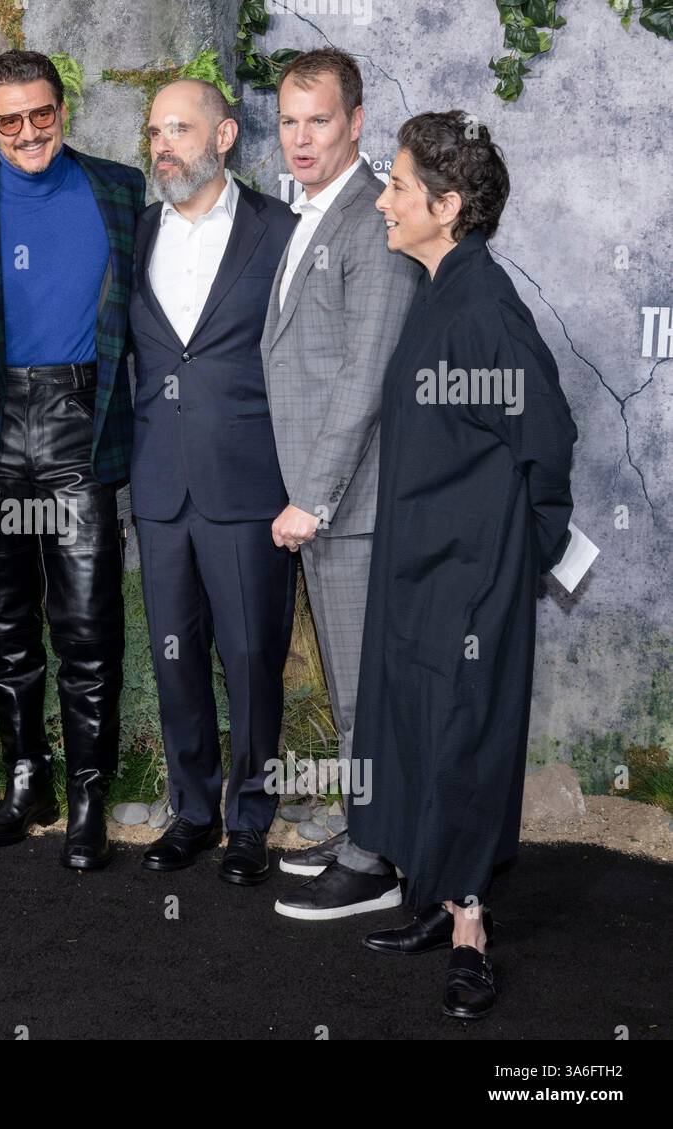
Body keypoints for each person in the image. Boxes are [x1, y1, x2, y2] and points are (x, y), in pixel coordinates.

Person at [349, 111, 576, 1019]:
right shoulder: (438, 288)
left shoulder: (485, 309)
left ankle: (472, 932)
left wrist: (525, 553)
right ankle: (437, 901)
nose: (383, 199)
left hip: (471, 577)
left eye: (398, 186)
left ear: (446, 206)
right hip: (421, 565)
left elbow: (547, 441)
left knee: (465, 742)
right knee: (416, 731)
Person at [0, 50, 145, 869]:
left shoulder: (120, 189)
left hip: (80, 428)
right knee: (5, 625)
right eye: (10, 120)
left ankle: (92, 794)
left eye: (42, 114)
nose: (29, 132)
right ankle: (31, 784)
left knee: (89, 627)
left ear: (65, 107)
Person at [259, 48, 422, 919]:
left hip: (351, 507)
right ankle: (367, 825)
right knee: (347, 681)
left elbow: (365, 374)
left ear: (356, 122)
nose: (300, 137)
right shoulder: (316, 212)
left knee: (364, 688)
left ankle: (374, 860)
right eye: (288, 121)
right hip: (331, 508)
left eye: (318, 119)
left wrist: (313, 496)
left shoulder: (371, 218)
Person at [128, 79, 298, 882]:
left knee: (253, 656)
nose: (164, 144)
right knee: (174, 659)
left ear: (225, 134)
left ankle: (250, 821)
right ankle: (192, 812)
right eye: (156, 130)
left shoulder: (282, 232)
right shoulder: (136, 233)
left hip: (249, 486)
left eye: (181, 129)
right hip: (161, 486)